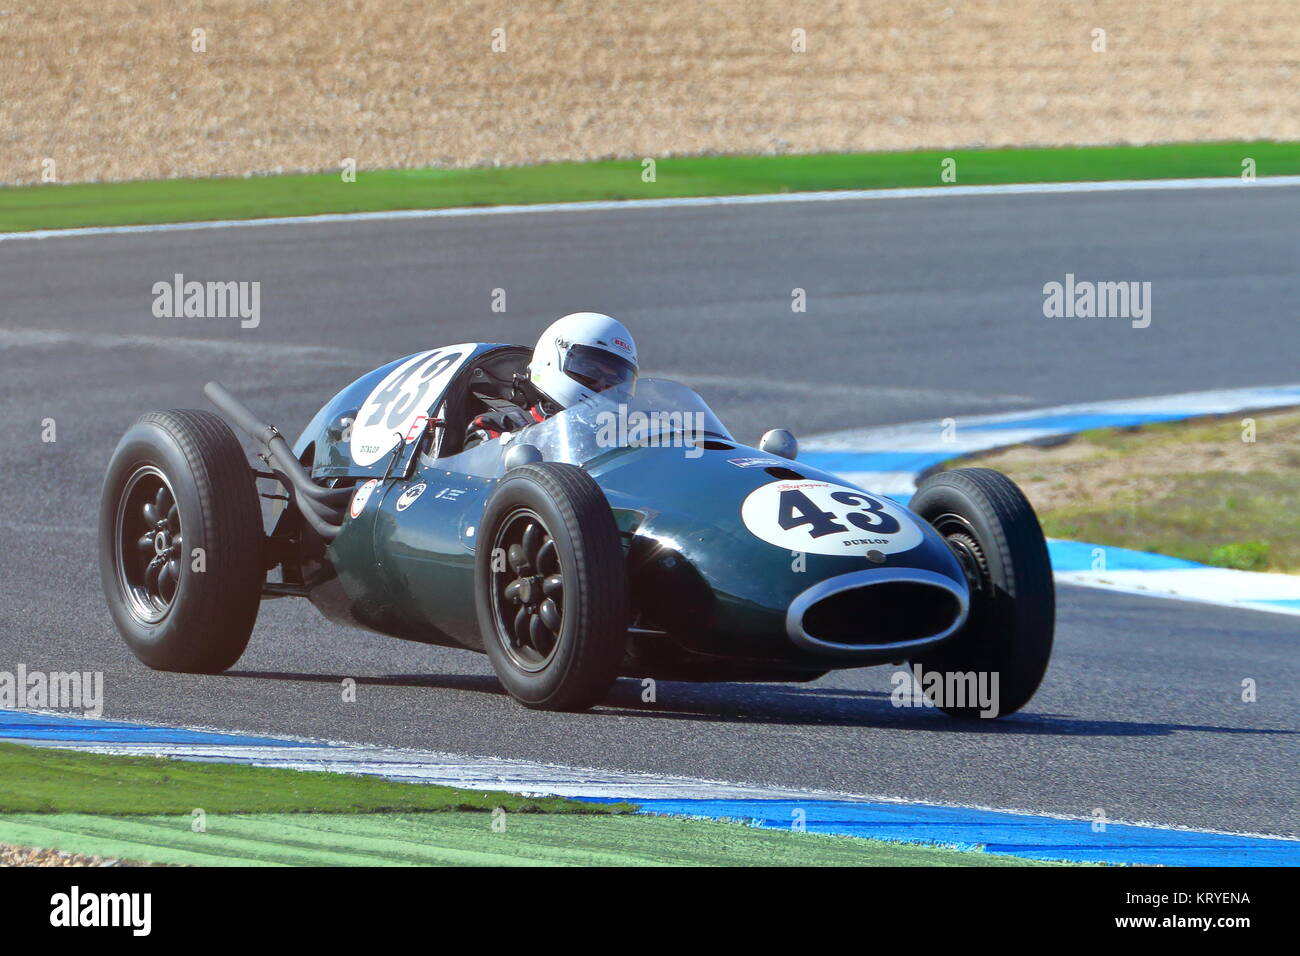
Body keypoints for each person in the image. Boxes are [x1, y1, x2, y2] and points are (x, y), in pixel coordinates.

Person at [463, 312, 639, 447]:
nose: (602, 387)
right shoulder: (499, 426)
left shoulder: (625, 439)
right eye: (591, 372)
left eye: (614, 382)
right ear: (553, 359)